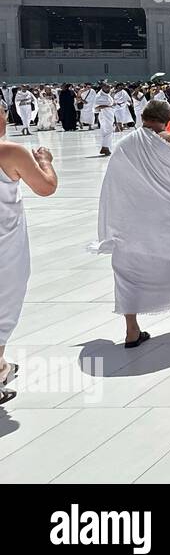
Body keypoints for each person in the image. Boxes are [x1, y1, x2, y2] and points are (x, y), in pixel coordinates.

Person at [91, 100, 170, 347]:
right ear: (166, 121)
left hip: (132, 222)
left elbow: (113, 186)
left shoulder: (124, 144)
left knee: (127, 271)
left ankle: (132, 330)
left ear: (142, 118)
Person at [0, 107, 59, 405]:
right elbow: (46, 187)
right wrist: (45, 161)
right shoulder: (10, 152)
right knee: (4, 302)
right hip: (4, 245)